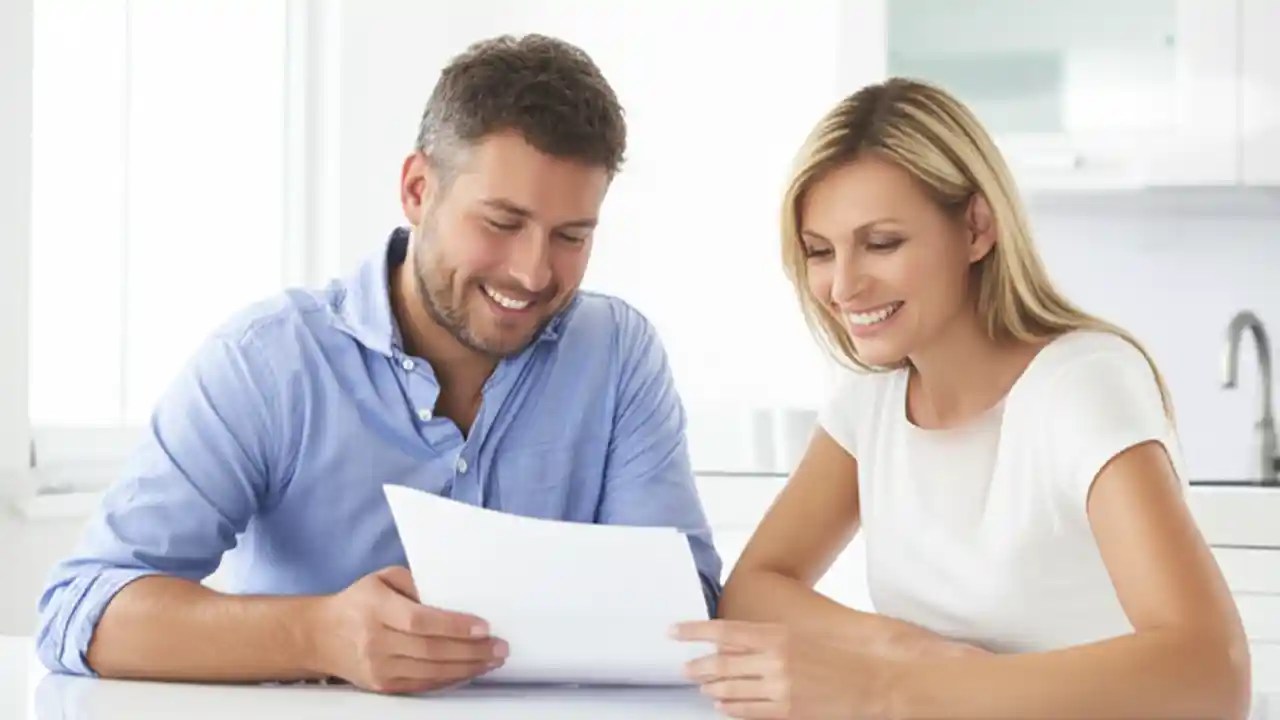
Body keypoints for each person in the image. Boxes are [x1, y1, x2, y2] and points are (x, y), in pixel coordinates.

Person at [37, 34, 721, 695]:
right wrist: (316, 636)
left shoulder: (617, 356)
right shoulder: (270, 362)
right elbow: (82, 609)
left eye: (570, 236)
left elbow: (685, 616)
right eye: (501, 223)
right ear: (418, 190)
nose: (533, 272)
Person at [673, 78, 1250, 719]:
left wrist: (884, 690)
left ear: (976, 228)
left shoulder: (1081, 385)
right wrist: (901, 650)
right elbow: (753, 593)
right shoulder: (872, 403)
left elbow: (1213, 673)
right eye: (820, 252)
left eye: (882, 243)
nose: (843, 286)